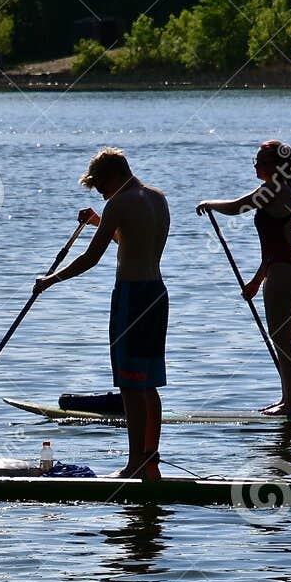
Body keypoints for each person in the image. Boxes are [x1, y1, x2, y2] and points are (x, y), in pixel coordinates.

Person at [34, 148, 170, 479]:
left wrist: (50, 279)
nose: (100, 194)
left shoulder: (119, 203)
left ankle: (134, 463)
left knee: (130, 385)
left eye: (100, 188)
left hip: (132, 297)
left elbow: (91, 257)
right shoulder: (156, 198)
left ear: (112, 177)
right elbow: (132, 241)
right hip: (157, 294)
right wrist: (100, 222)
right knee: (148, 383)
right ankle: (150, 461)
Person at [196, 140, 291, 417]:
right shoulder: (279, 189)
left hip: (285, 270)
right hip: (280, 268)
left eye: (259, 161)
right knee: (281, 337)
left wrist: (210, 204)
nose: (255, 165)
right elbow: (273, 247)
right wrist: (257, 281)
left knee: (283, 338)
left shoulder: (273, 188)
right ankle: (287, 399)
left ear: (274, 166)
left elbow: (237, 207)